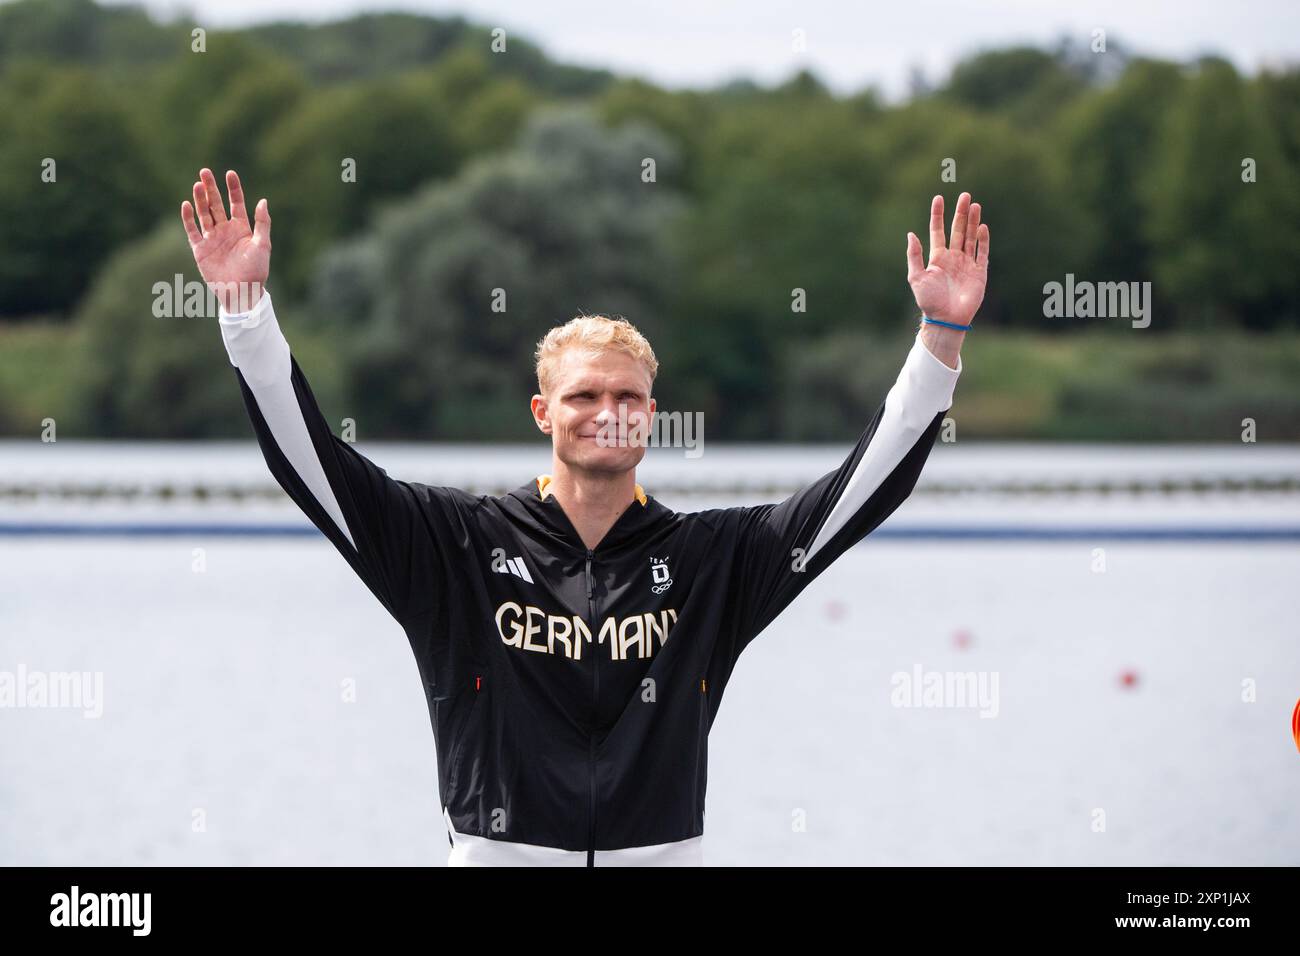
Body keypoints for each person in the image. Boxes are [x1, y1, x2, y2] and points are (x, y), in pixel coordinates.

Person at [180, 167, 989, 866]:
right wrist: (247, 318)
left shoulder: (714, 559)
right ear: (543, 411)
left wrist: (941, 339)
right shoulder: (454, 544)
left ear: (652, 414)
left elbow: (862, 491)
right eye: (584, 395)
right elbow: (311, 462)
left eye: (628, 396)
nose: (608, 412)